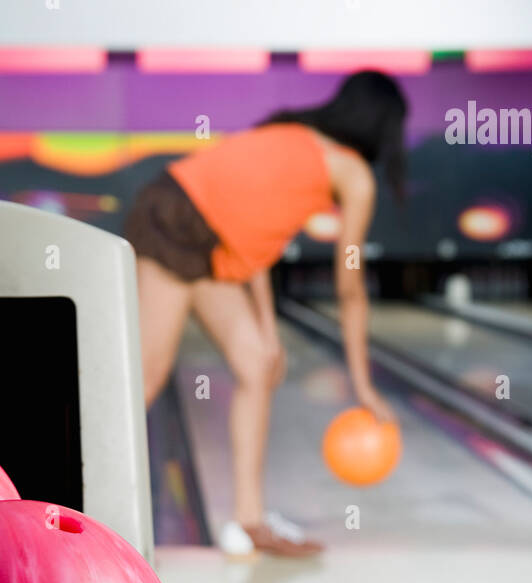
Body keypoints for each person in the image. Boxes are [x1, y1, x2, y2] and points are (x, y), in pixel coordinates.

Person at [124, 70, 408, 558]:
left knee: (258, 363)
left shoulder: (288, 132)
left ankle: (249, 521)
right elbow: (350, 286)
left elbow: (255, 239)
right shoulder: (354, 175)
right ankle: (71, 503)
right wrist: (363, 386)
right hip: (174, 222)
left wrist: (267, 328)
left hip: (207, 240)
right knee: (146, 379)